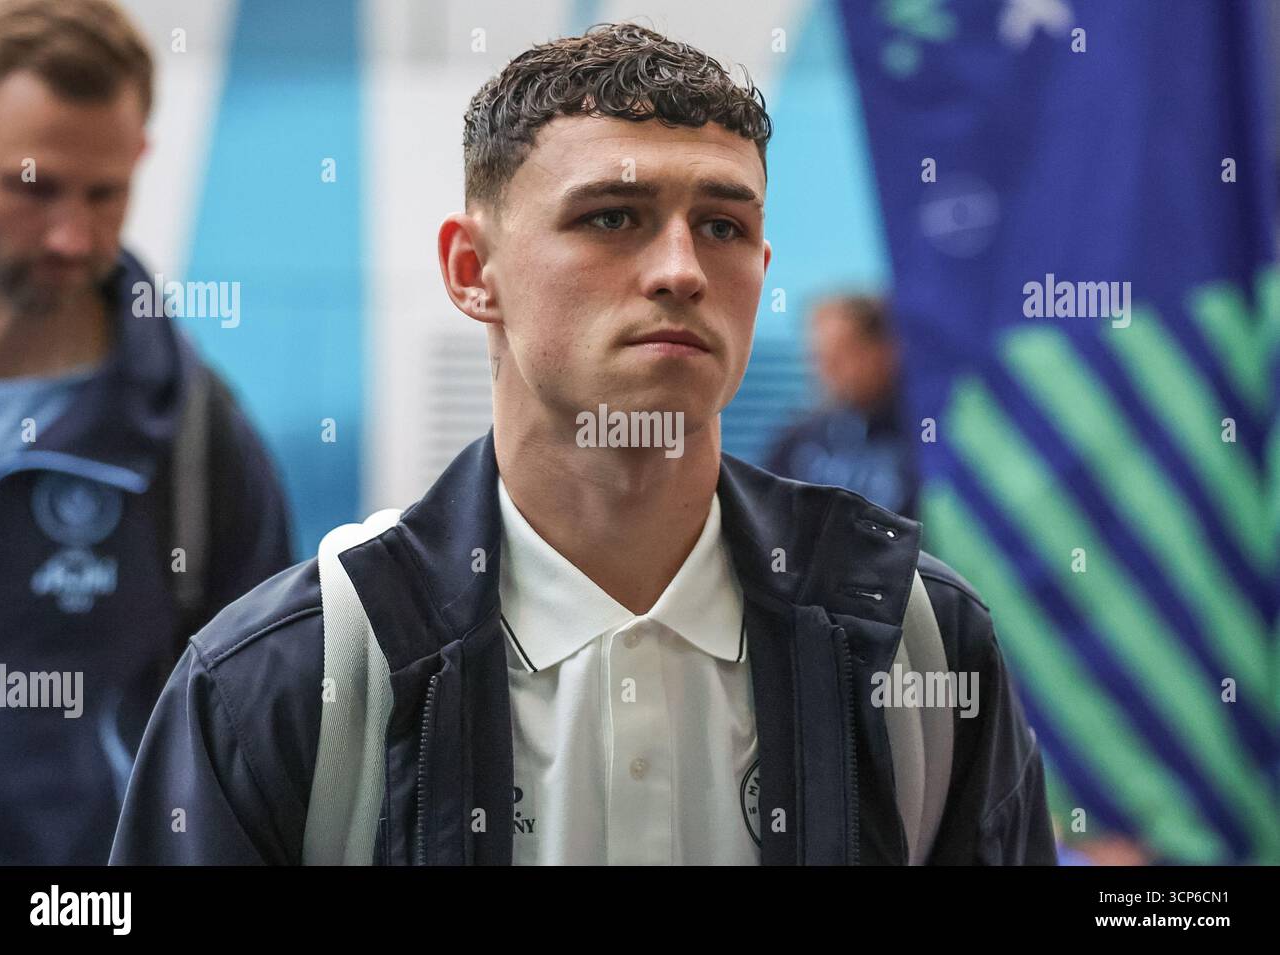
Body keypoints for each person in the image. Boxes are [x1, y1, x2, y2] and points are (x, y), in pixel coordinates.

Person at [111, 22, 1054, 865]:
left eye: (722, 226)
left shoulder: (920, 647)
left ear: (760, 272)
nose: (682, 268)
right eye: (613, 217)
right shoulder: (286, 680)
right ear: (472, 271)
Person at [0, 0, 293, 865]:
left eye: (105, 193)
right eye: (32, 186)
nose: (71, 235)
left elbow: (258, 744)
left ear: (140, 160)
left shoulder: (195, 437)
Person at [765, 293, 919, 518]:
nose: (826, 370)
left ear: (884, 350)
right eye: (819, 357)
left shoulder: (923, 438)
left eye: (840, 355)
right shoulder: (801, 439)